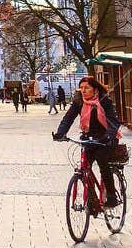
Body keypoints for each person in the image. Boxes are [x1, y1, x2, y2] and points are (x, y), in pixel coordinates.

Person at [52, 75, 125, 209]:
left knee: (103, 164)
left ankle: (112, 197)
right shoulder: (79, 101)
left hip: (105, 138)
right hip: (88, 138)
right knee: (85, 168)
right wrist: (60, 133)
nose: (83, 90)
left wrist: (108, 136)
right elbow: (68, 118)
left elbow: (113, 121)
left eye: (86, 87)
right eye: (81, 88)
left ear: (95, 89)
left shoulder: (104, 100)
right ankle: (92, 202)